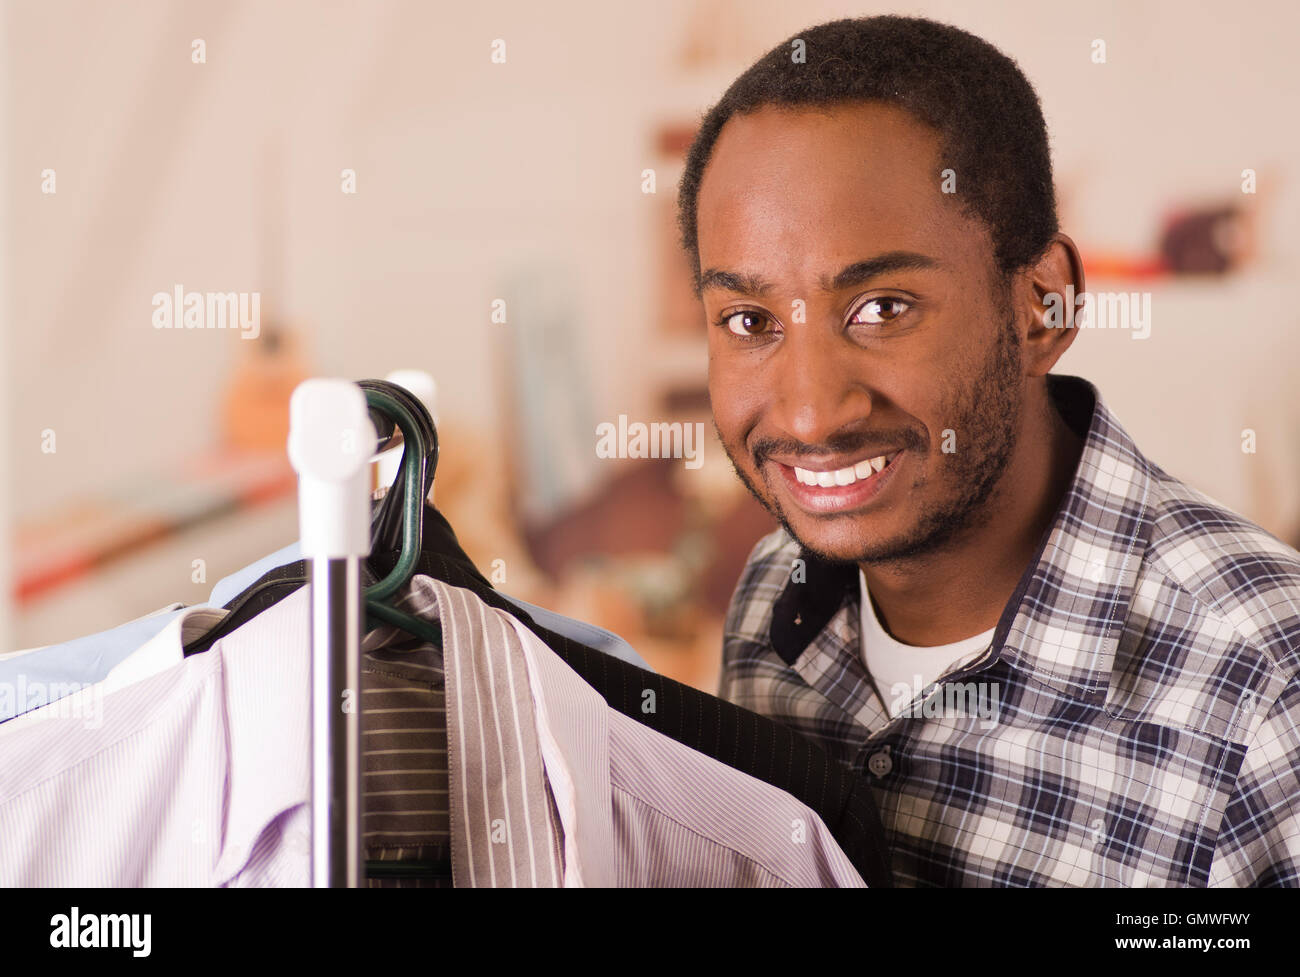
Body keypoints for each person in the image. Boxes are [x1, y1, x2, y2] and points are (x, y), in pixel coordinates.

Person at [678, 14, 1300, 887]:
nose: (813, 414)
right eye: (750, 322)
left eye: (883, 307)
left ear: (1042, 304)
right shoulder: (771, 602)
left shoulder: (1270, 693)